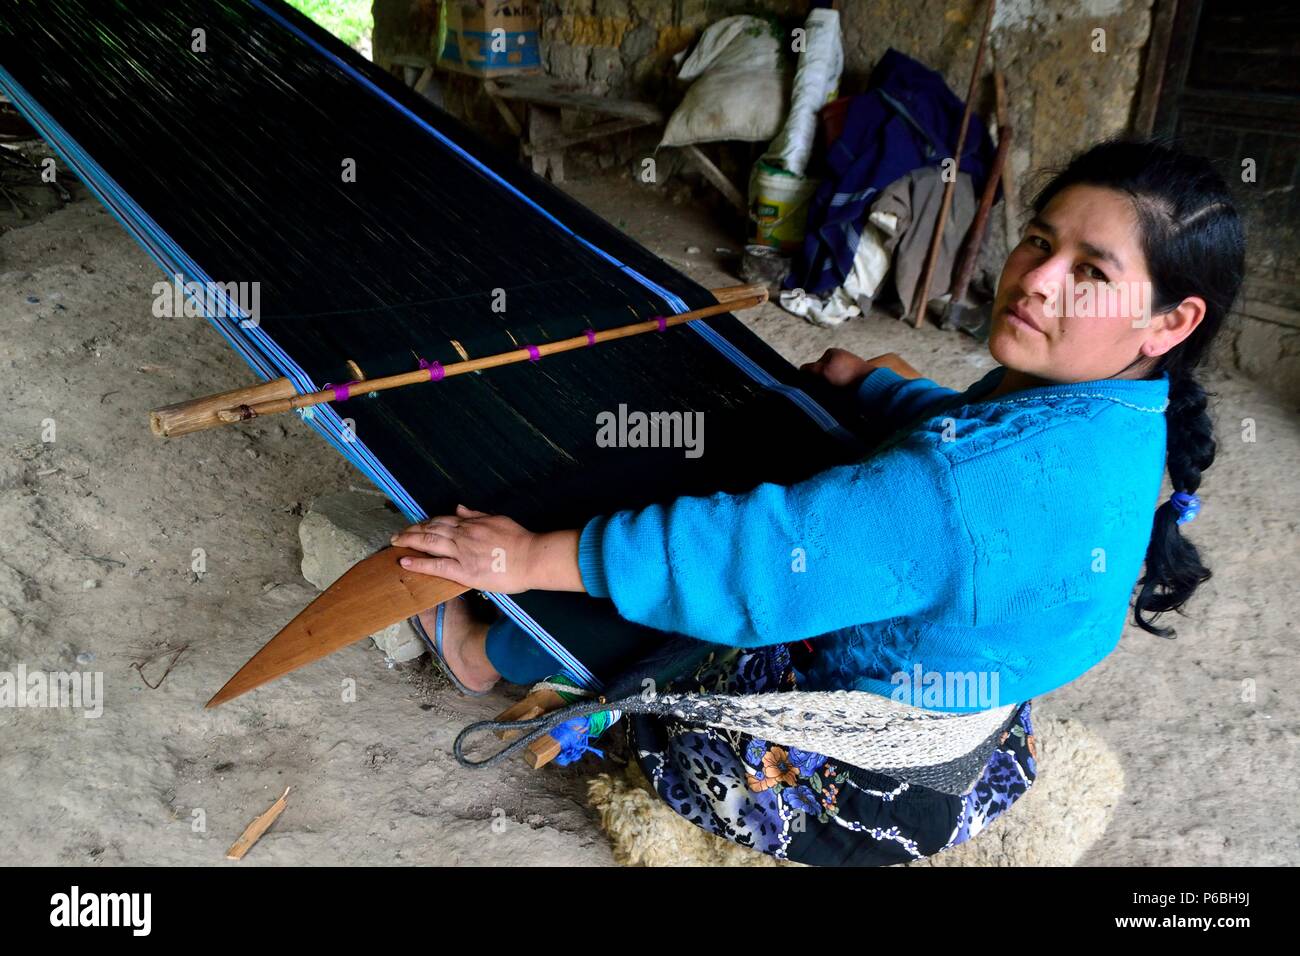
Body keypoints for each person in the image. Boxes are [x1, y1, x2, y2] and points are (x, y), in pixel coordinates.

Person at [391, 138, 1245, 865]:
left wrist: (524, 558)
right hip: (974, 741)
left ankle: (486, 651)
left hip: (852, 791)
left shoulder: (972, 487)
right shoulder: (1128, 415)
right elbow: (973, 445)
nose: (1037, 280)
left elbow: (756, 559)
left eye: (1090, 272)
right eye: (1037, 241)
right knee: (823, 460)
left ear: (1170, 322)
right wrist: (880, 385)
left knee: (702, 578)